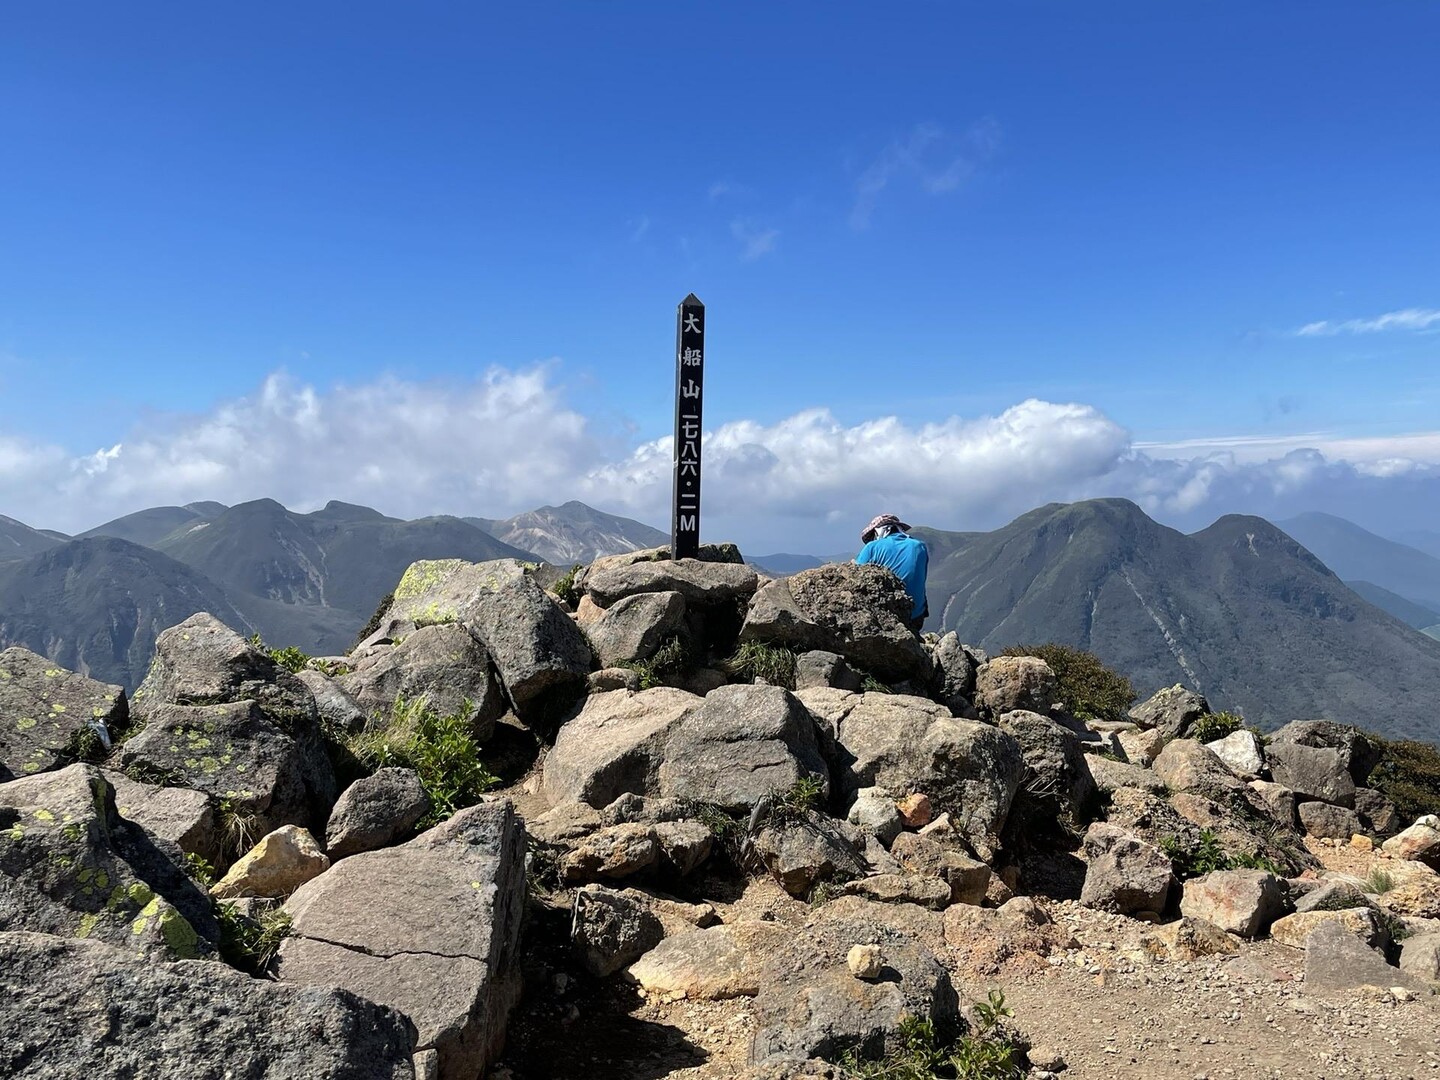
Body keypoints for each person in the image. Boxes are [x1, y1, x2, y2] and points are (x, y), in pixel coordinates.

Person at [855, 513, 929, 633]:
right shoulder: (920, 546)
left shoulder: (872, 547)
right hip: (916, 616)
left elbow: (854, 575)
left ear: (877, 532)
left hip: (887, 616)